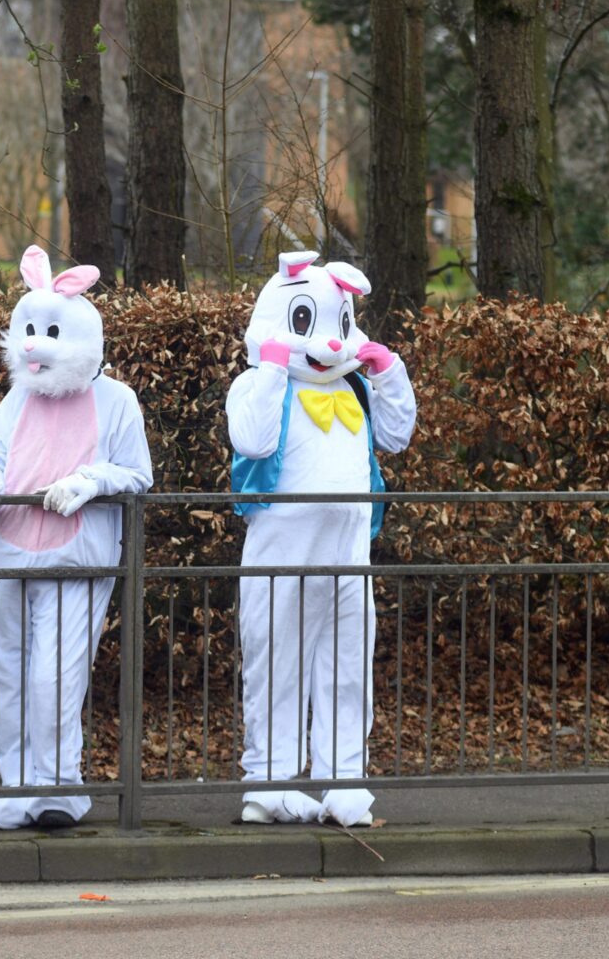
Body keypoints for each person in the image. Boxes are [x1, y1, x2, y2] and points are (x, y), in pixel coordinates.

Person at [0, 246, 153, 830]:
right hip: (7, 549)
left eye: (49, 332)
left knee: (55, 674)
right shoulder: (18, 396)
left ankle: (59, 786)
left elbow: (138, 474)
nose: (35, 343)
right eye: (29, 330)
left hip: (75, 556)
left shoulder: (118, 401)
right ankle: (16, 786)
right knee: (4, 670)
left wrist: (91, 481)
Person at [226, 251, 416, 828]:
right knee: (276, 661)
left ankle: (345, 782)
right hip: (281, 555)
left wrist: (387, 372)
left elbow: (397, 436)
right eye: (309, 323)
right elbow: (253, 442)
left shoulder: (354, 390)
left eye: (338, 327)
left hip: (349, 554)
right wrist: (273, 368)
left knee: (347, 665)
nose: (330, 345)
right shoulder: (257, 385)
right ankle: (269, 782)